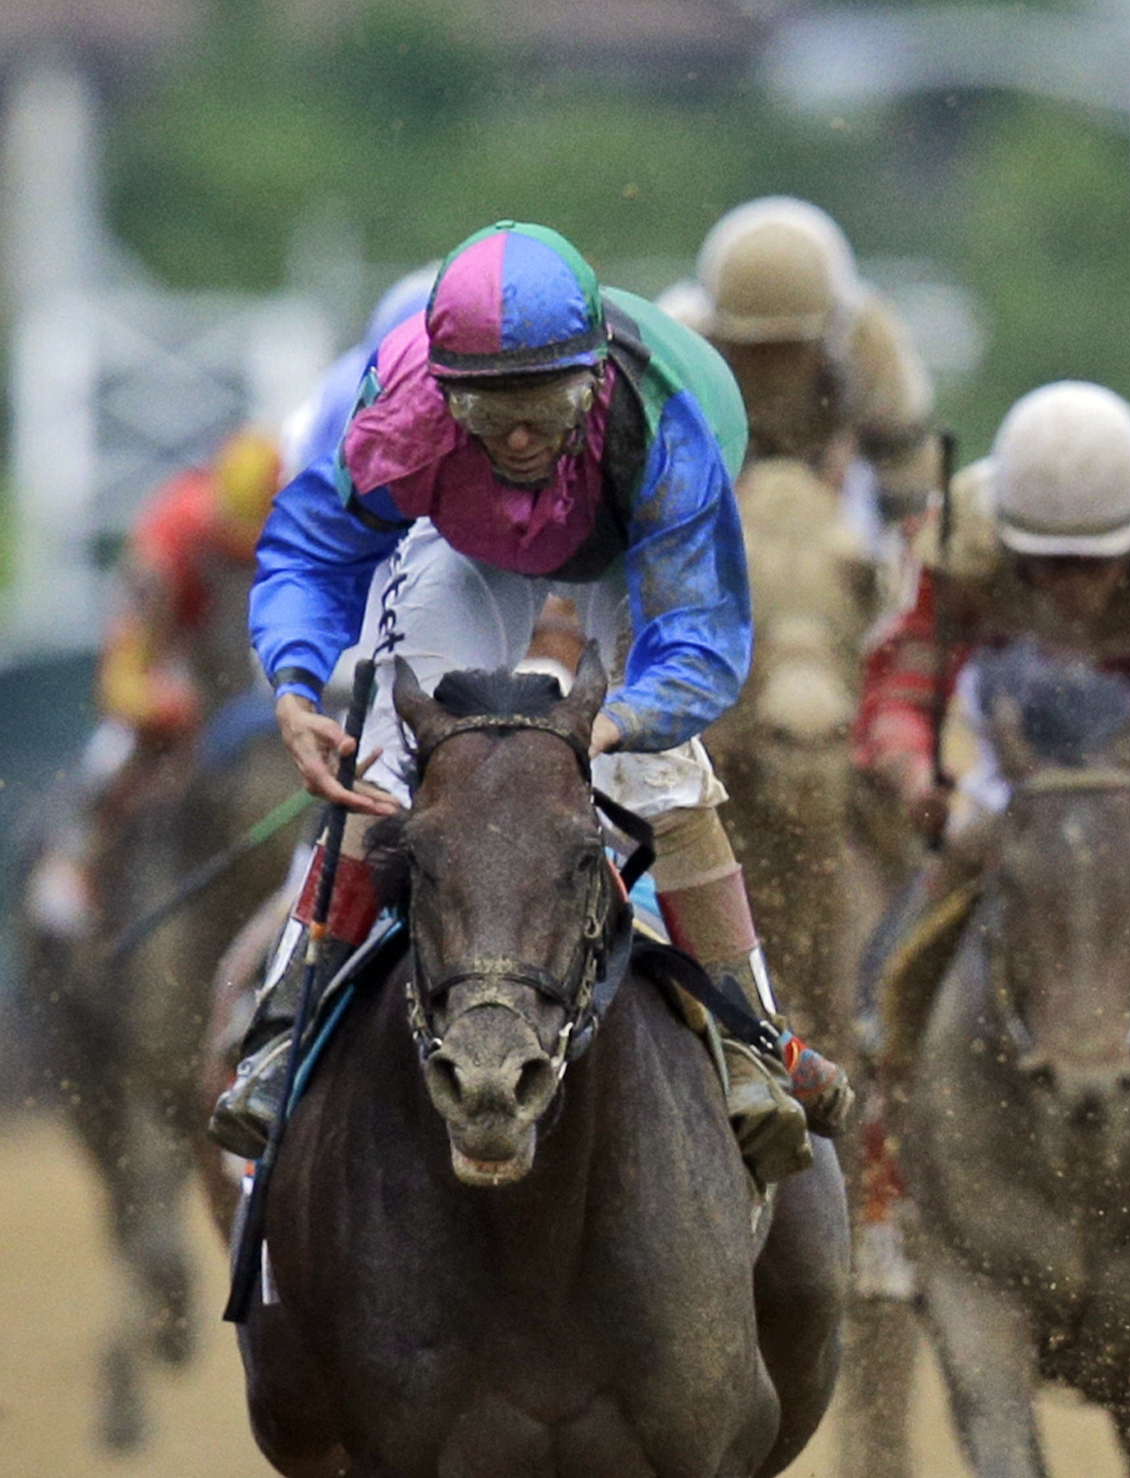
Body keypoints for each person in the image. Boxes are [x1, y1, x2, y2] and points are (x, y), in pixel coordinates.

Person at [206, 221, 851, 1184]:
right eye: (489, 408)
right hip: (461, 548)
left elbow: (699, 642)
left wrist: (610, 726)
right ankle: (284, 1026)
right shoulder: (405, 415)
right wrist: (297, 686)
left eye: (544, 405)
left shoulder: (665, 429)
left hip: (625, 549)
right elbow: (312, 553)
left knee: (662, 778)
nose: (516, 435)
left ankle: (756, 1039)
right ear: (445, 395)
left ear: (591, 383)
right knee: (379, 761)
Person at [855, 379, 1130, 1081]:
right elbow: (906, 685)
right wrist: (917, 776)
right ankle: (887, 1052)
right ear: (1007, 541)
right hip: (1013, 745)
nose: (1071, 584)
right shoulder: (955, 536)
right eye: (1046, 564)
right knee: (956, 852)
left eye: (1095, 562)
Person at [24, 431, 283, 940]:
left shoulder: (280, 523)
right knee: (122, 749)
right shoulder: (167, 542)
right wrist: (169, 706)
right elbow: (120, 682)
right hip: (165, 674)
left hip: (236, 683)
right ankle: (77, 864)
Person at [659, 195, 940, 550]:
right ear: (717, 335)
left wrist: (905, 553)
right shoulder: (677, 354)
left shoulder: (868, 345)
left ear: (832, 331)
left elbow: (908, 468)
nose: (774, 370)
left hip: (839, 501)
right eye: (755, 350)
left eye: (791, 349)